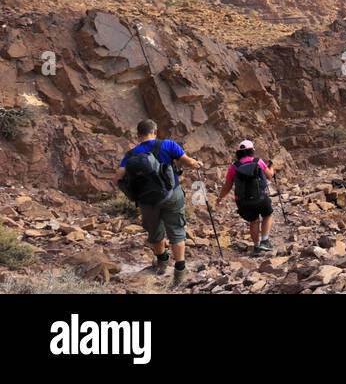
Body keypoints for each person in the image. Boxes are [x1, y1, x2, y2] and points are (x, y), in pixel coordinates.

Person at [115, 119, 205, 288]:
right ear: (154, 132)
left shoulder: (131, 155)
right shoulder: (168, 145)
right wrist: (197, 164)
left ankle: (162, 263)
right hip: (172, 195)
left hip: (147, 200)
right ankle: (179, 272)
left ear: (138, 135)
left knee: (155, 231)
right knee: (176, 231)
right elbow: (189, 162)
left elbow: (118, 176)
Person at [215, 140, 277, 253]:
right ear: (252, 150)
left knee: (254, 221)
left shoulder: (234, 167)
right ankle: (265, 241)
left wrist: (220, 198)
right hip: (261, 198)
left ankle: (257, 246)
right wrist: (272, 167)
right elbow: (270, 176)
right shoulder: (258, 162)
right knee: (267, 215)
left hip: (243, 202)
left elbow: (227, 186)